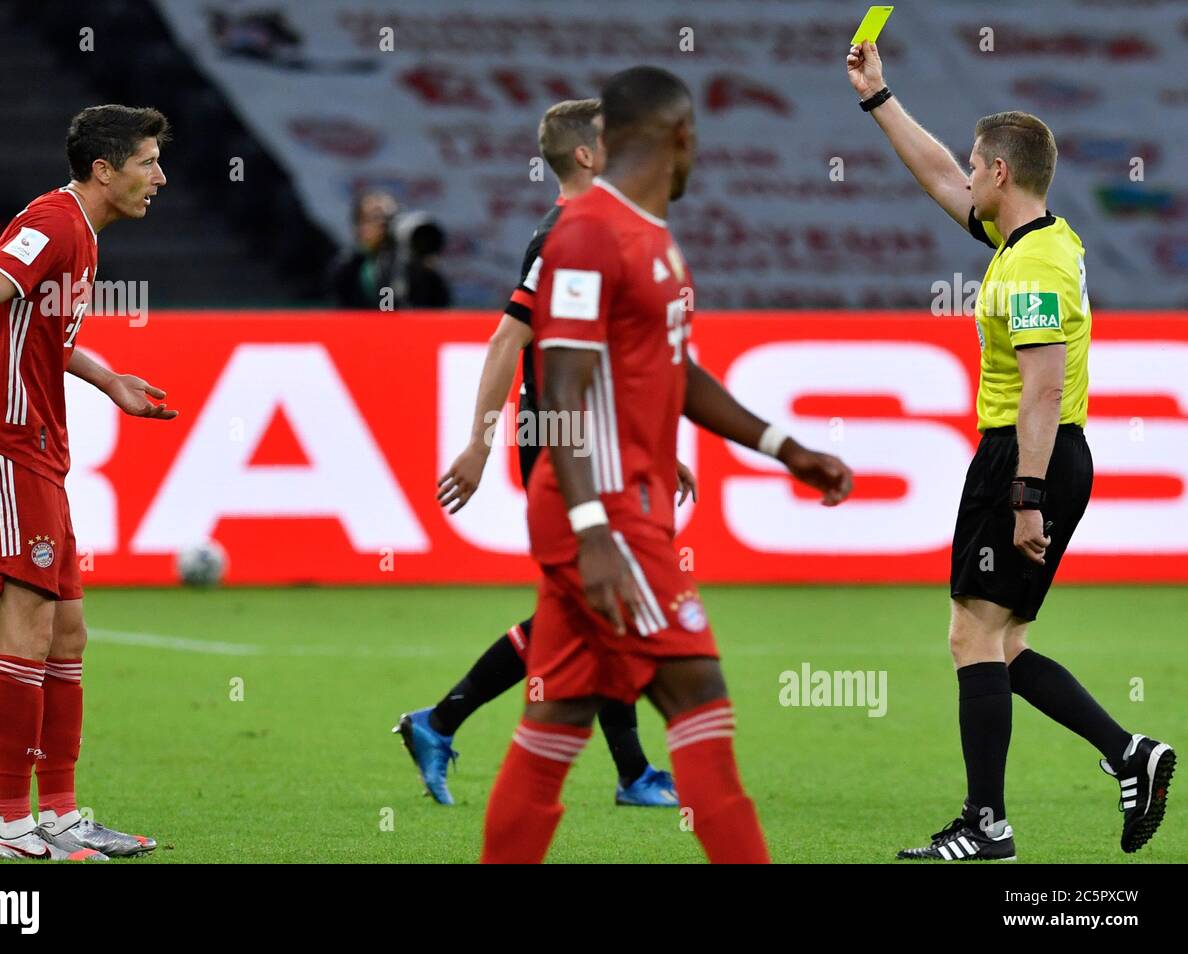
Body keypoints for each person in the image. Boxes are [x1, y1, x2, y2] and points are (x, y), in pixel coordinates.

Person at [479, 67, 854, 864]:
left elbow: (676, 372)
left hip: (621, 509)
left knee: (557, 721)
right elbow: (563, 389)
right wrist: (592, 529)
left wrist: (785, 449)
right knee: (701, 701)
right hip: (605, 512)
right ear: (682, 137)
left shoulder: (650, 239)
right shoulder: (585, 234)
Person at [845, 39, 1174, 860]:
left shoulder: (1029, 270)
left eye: (974, 163)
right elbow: (936, 178)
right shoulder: (1031, 244)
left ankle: (986, 825)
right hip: (1042, 455)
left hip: (1026, 458)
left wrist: (1026, 495)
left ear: (999, 171)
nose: (964, 174)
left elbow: (1041, 386)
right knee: (1002, 642)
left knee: (969, 636)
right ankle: (1128, 752)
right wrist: (879, 98)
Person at [0, 105, 178, 861]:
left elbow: (43, 334)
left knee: (69, 632)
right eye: (148, 162)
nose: (161, 177)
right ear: (105, 170)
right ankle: (10, 826)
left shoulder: (81, 235)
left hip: (40, 450)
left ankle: (58, 814)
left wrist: (109, 379)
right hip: (5, 450)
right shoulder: (53, 220)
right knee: (28, 632)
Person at [398, 99, 686, 809]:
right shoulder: (564, 236)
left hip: (605, 441)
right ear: (587, 156)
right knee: (601, 602)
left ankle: (441, 724)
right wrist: (477, 442)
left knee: (592, 608)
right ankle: (626, 771)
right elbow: (508, 341)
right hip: (564, 443)